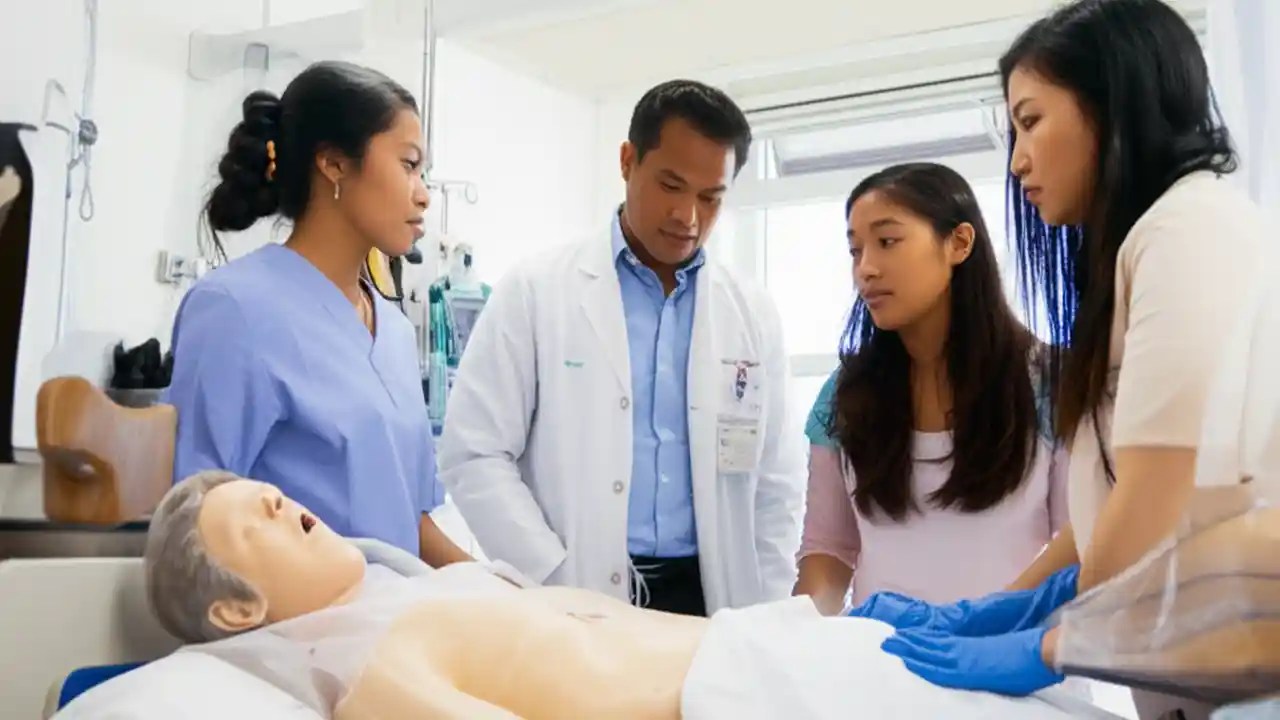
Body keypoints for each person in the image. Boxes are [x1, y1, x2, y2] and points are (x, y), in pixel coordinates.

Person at [855, 2, 1271, 717]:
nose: (1017, 161)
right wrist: (1005, 607)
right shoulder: (1154, 242)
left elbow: (1157, 495)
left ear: (1110, 102)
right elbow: (1114, 501)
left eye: (1030, 120)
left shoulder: (1188, 231)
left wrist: (1044, 642)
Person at [141, 470, 1111, 720]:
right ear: (235, 611)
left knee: (1066, 682)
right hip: (744, 698)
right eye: (251, 522)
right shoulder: (373, 671)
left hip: (772, 657)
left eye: (265, 492)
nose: (277, 498)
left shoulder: (430, 592)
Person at [438, 80, 805, 616]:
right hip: (575, 587)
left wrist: (766, 599)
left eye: (710, 197)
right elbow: (472, 451)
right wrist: (548, 571)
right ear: (628, 161)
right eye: (671, 185)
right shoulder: (539, 289)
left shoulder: (750, 310)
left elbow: (778, 479)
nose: (688, 216)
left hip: (714, 595)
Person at [163, 61, 470, 567]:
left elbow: (407, 524)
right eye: (409, 165)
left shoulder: (391, 330)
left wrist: (502, 591)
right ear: (334, 164)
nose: (423, 194)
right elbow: (197, 527)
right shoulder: (235, 310)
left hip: (397, 620)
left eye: (424, 173)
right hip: (296, 632)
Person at [793, 162, 1068, 617]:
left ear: (958, 242)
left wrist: (985, 626)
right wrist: (803, 639)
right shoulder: (847, 394)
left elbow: (1083, 543)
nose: (867, 268)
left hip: (1012, 664)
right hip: (880, 667)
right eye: (855, 250)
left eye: (887, 242)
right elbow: (828, 548)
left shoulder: (1048, 383)